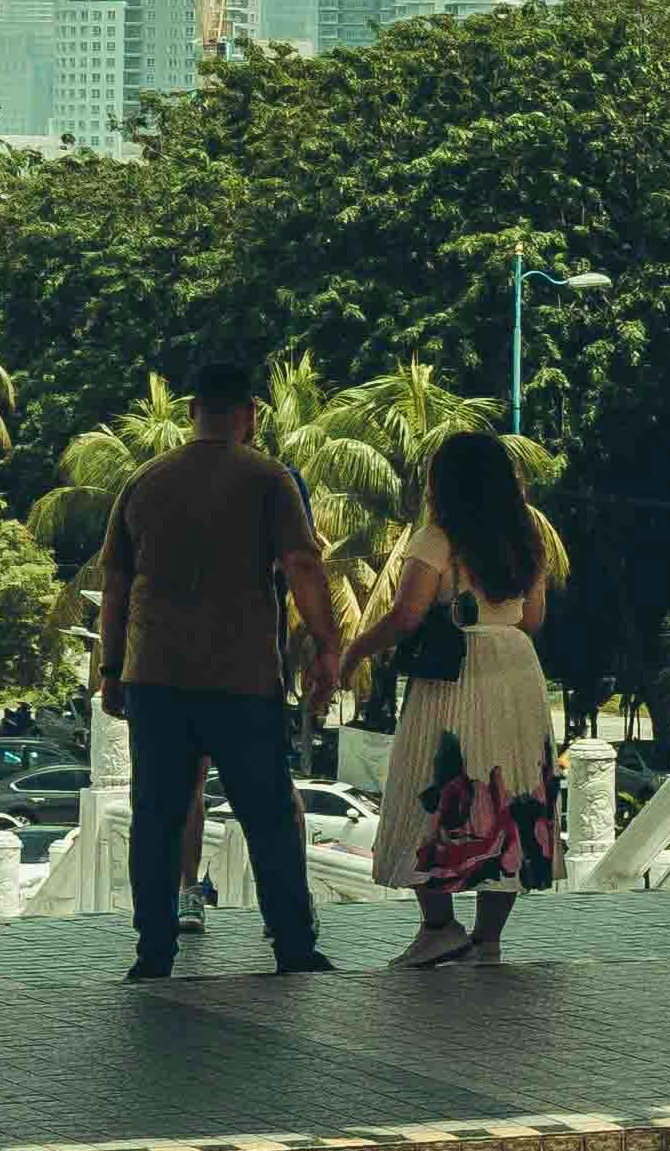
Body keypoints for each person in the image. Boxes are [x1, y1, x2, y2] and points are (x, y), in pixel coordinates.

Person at [97, 353, 344, 978]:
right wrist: (327, 644)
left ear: (191, 412)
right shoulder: (268, 479)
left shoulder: (144, 480)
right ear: (251, 415)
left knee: (156, 814)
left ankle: (153, 953)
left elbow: (116, 587)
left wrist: (110, 670)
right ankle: (293, 946)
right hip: (242, 679)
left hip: (155, 676)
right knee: (267, 814)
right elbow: (304, 566)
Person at [352, 422, 560, 966]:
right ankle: (488, 942)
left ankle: (438, 927)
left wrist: (354, 651)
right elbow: (533, 619)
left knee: (433, 782)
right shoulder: (527, 538)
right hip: (516, 668)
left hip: (456, 674)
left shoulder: (437, 540)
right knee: (511, 791)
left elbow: (405, 616)